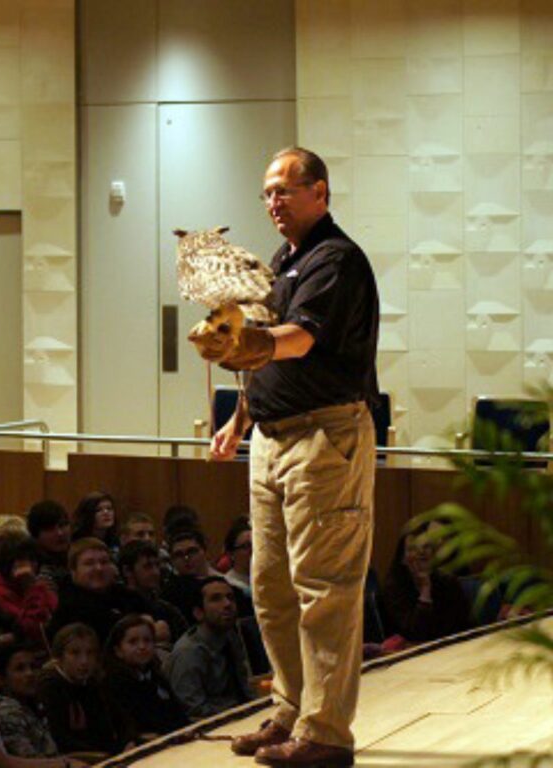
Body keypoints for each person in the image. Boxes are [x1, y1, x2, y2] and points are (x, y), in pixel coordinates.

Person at [193, 147, 379, 767]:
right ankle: (293, 712)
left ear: (319, 192)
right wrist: (237, 423)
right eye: (266, 193)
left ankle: (326, 735)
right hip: (271, 439)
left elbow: (298, 340)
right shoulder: (284, 259)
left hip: (325, 437)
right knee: (270, 589)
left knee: (324, 589)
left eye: (284, 191)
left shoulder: (336, 261)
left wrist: (247, 341)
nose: (273, 202)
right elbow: (265, 363)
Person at [163, 576, 253, 719]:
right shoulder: (188, 653)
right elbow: (194, 710)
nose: (227, 604)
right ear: (199, 613)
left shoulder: (231, 638)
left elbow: (244, 689)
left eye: (230, 597)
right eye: (216, 599)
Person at [37, 623, 126, 756]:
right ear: (59, 657)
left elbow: (120, 719)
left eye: (90, 653)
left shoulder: (94, 682)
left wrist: (128, 741)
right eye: (75, 653)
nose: (84, 661)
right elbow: (61, 739)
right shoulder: (51, 688)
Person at [45, 538, 148, 646]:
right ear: (73, 571)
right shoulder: (70, 606)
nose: (99, 568)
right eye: (89, 563)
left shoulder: (125, 595)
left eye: (104, 562)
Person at [382, 522, 471, 644]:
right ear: (402, 558)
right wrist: (425, 590)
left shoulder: (448, 582)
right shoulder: (393, 587)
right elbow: (416, 634)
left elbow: (464, 628)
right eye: (413, 549)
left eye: (426, 547)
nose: (421, 553)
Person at [103, 614, 188, 740]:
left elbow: (179, 714)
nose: (142, 647)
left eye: (147, 640)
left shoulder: (157, 678)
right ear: (118, 650)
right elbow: (123, 729)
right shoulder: (113, 685)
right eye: (133, 642)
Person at [0, 645, 58, 759]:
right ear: (2, 679)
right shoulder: (6, 713)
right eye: (20, 669)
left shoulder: (33, 703)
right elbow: (29, 761)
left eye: (33, 667)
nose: (30, 674)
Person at [25, 501, 72, 593]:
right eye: (50, 529)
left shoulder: (79, 556)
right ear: (36, 535)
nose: (60, 533)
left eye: (63, 525)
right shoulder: (31, 567)